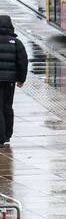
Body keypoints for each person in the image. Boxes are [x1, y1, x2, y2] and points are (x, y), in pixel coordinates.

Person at [0, 13, 28, 147]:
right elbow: (23, 61)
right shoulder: (16, 42)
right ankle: (7, 136)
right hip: (10, 81)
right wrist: (21, 79)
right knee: (7, 106)